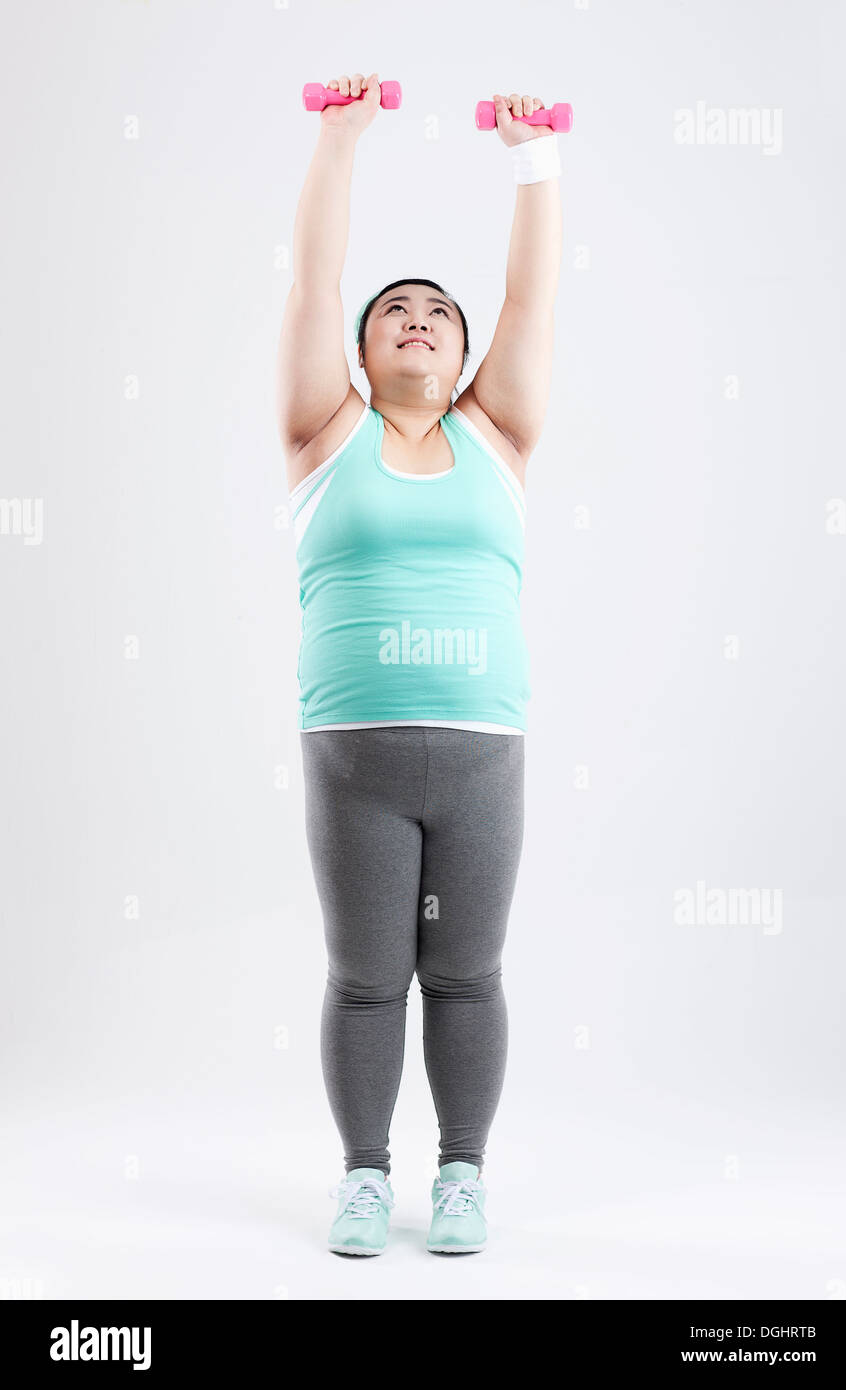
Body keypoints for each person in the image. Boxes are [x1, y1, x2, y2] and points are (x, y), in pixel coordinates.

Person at [276, 71, 562, 1255]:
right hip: (355, 756)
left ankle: (459, 1175)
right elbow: (313, 281)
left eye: (437, 313)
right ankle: (360, 1175)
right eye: (392, 310)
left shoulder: (495, 433)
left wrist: (532, 160)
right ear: (358, 350)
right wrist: (340, 140)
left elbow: (530, 298)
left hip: (484, 752)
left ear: (460, 352)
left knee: (465, 972)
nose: (415, 319)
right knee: (363, 975)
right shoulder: (323, 430)